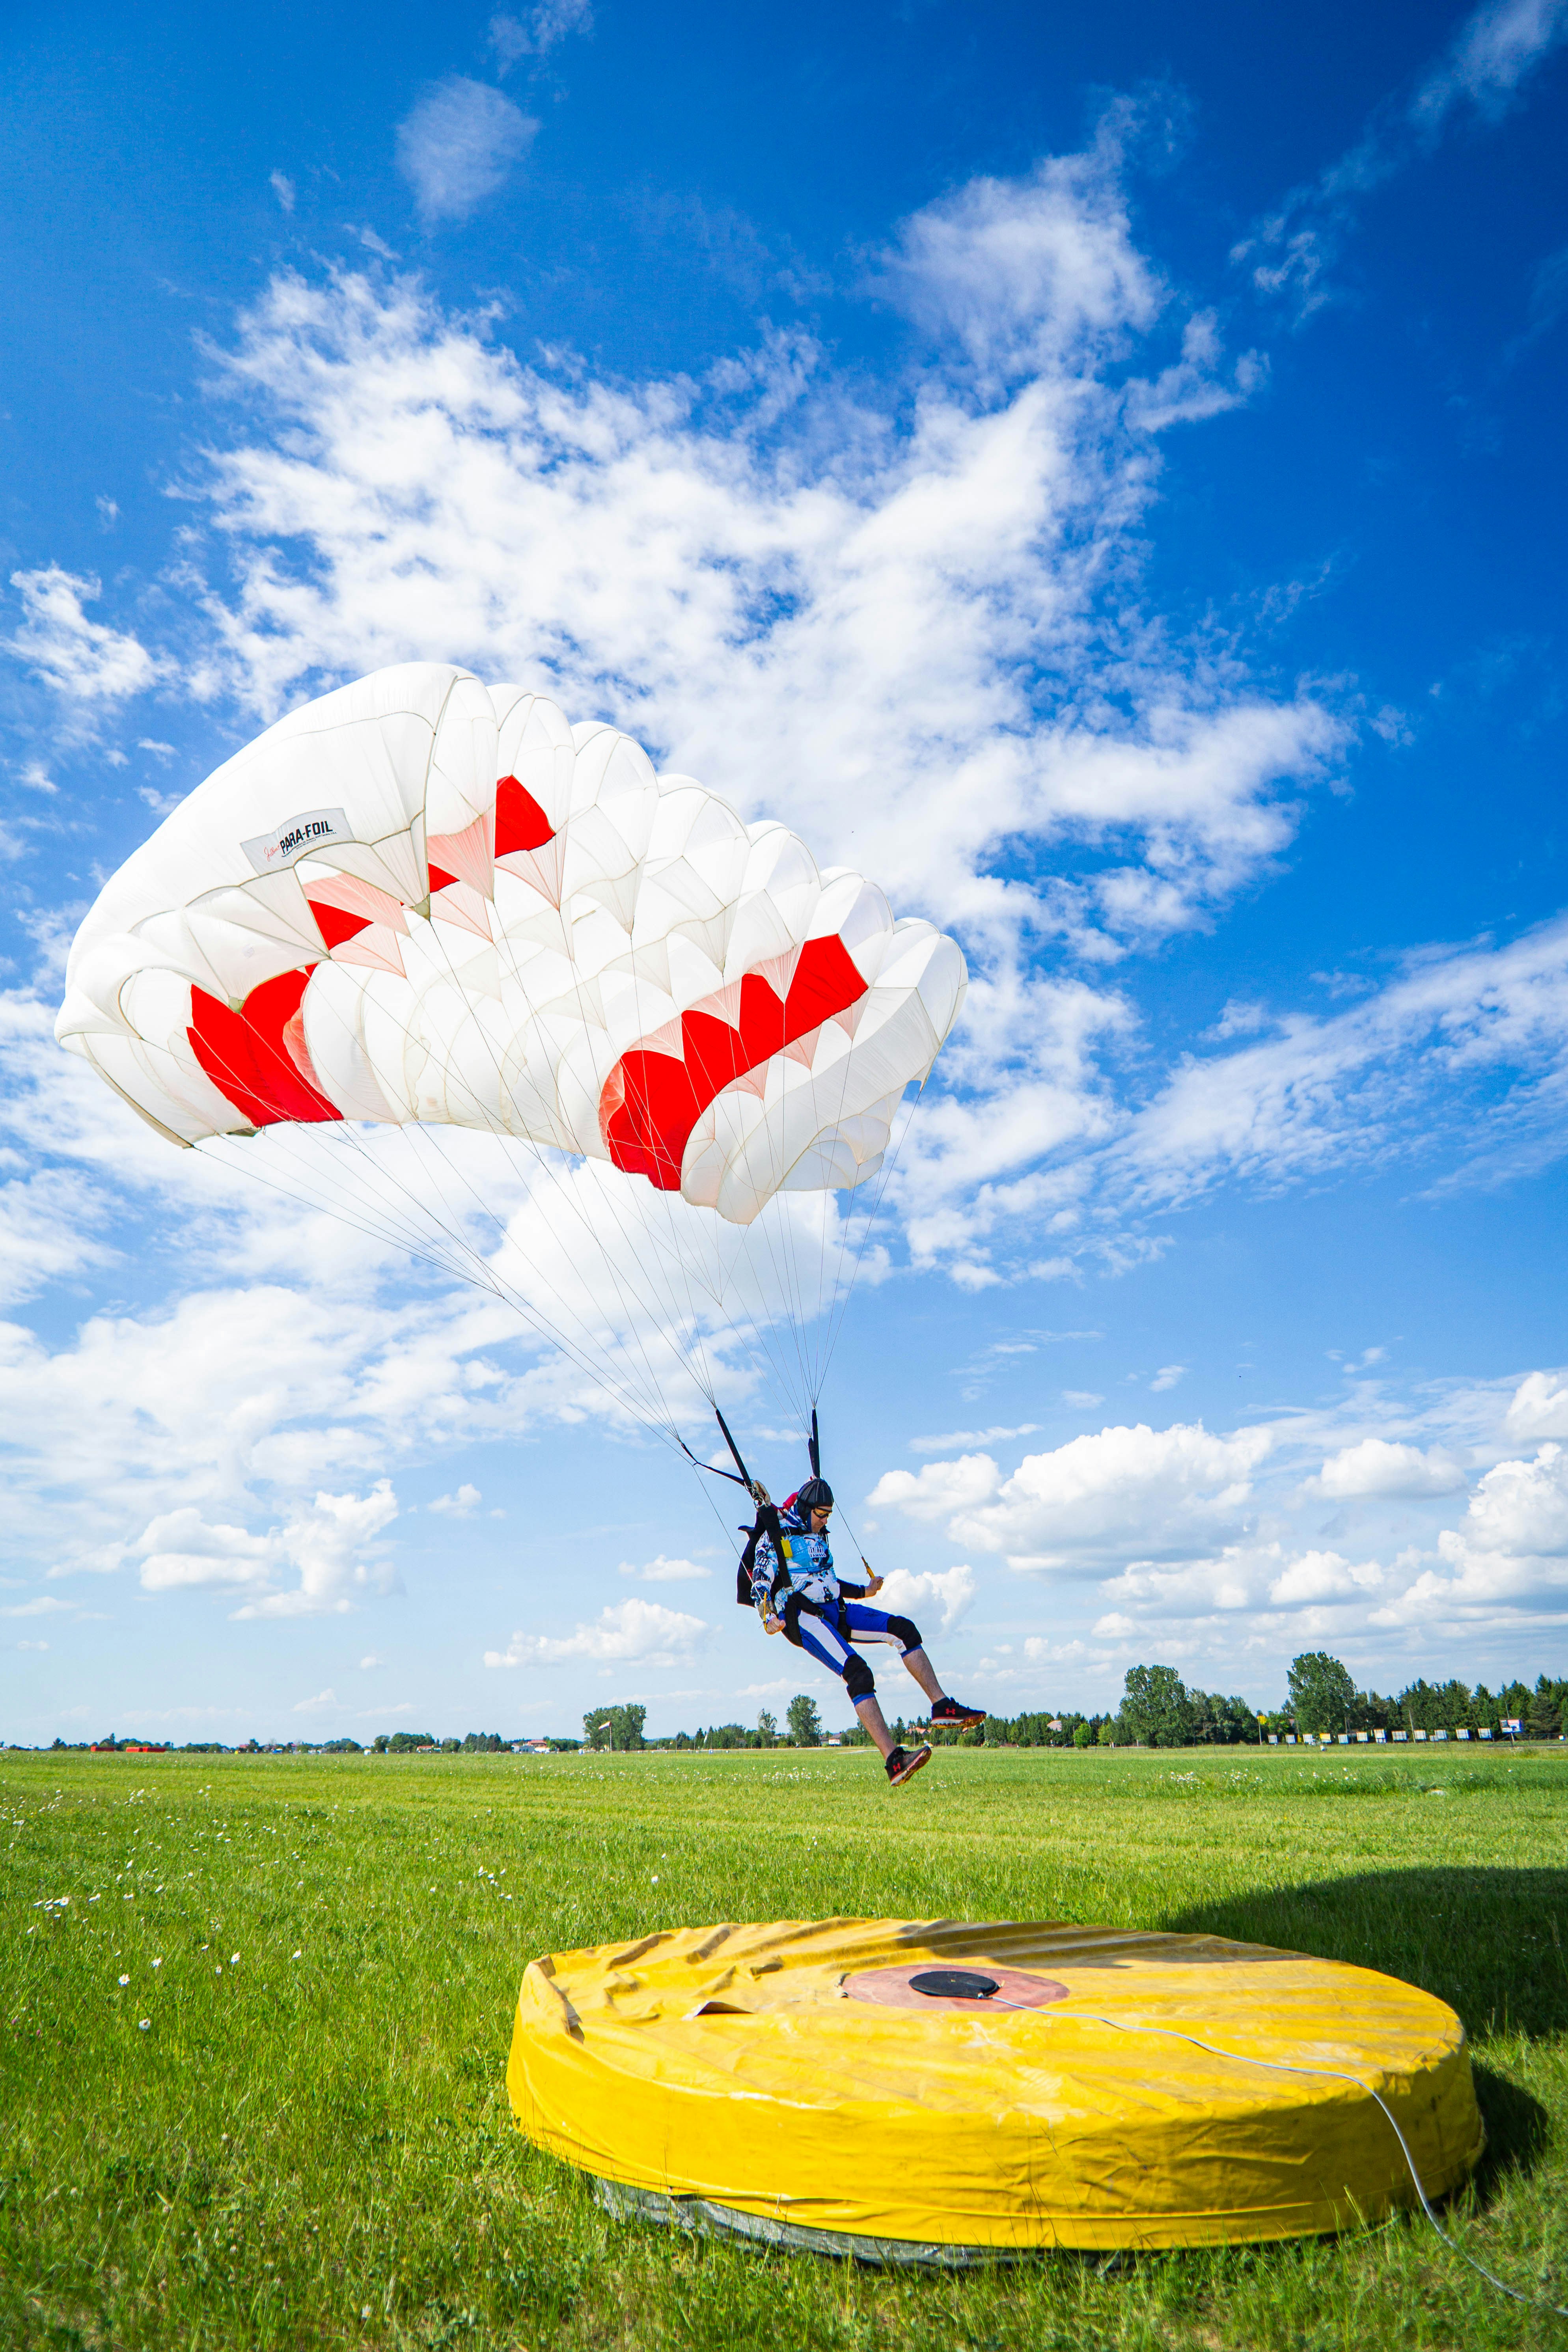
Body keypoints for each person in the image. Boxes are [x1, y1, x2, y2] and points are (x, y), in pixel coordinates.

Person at [741, 1474, 984, 1787]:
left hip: (834, 1609)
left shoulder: (818, 1536)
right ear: (805, 1509)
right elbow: (759, 1581)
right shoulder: (777, 1535)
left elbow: (829, 1583)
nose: (824, 1521)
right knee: (858, 1673)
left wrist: (865, 1592)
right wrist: (767, 1616)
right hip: (800, 1616)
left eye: (829, 1515)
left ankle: (942, 1706)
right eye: (820, 1514)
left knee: (904, 1630)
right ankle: (893, 1760)